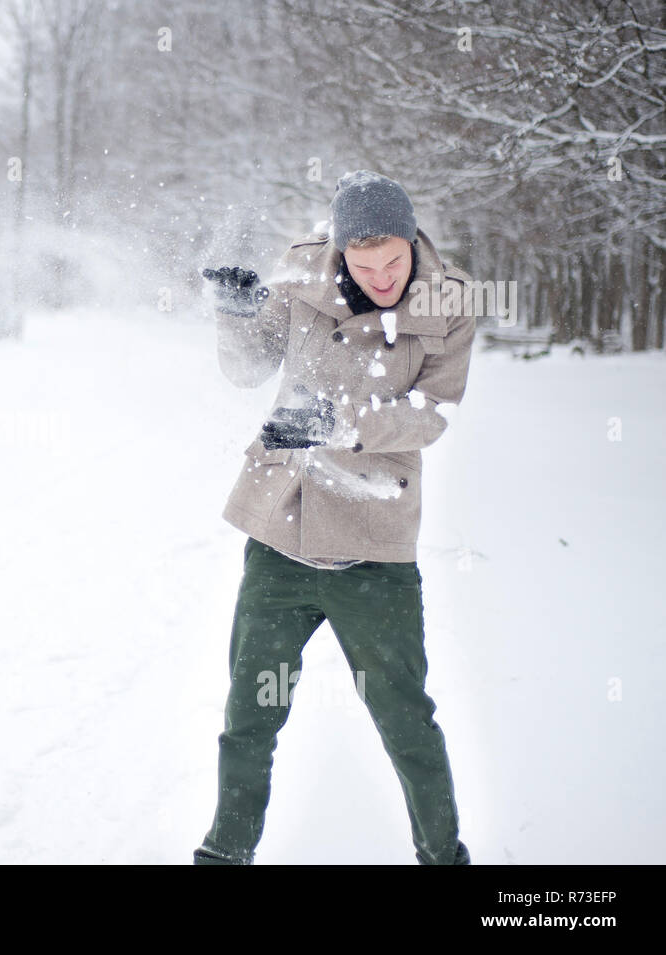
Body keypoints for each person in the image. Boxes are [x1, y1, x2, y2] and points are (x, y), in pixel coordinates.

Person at [193, 171, 474, 865]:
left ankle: (444, 856)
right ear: (340, 250)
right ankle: (224, 854)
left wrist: (345, 422)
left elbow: (435, 412)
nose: (382, 276)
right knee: (250, 716)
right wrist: (233, 313)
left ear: (412, 244)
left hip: (374, 550)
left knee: (405, 719)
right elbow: (247, 368)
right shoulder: (299, 275)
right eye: (364, 262)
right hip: (280, 536)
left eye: (395, 262)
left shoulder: (450, 302)